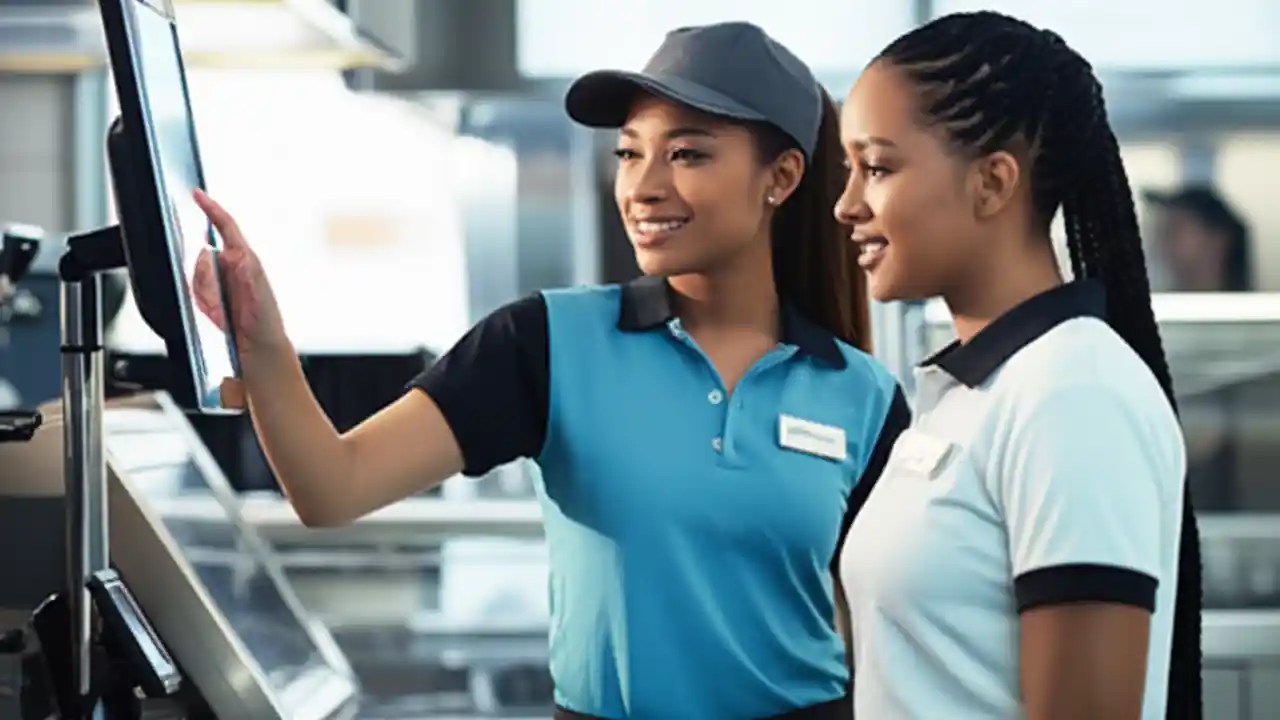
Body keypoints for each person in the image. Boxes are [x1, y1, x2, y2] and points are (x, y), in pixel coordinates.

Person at [192, 21, 909, 720]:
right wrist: (263, 344)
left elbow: (891, 630)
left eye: (687, 155)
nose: (643, 187)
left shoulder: (864, 395)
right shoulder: (546, 342)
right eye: (630, 154)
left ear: (780, 177)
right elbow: (331, 487)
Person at [833, 11, 1201, 720]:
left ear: (993, 183)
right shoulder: (977, 390)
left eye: (877, 167)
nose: (847, 204)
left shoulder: (1074, 394)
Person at [1145, 185, 1252, 293]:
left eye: (1173, 228)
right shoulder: (1164, 304)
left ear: (1217, 238)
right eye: (1161, 230)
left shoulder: (1250, 307)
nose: (1161, 239)